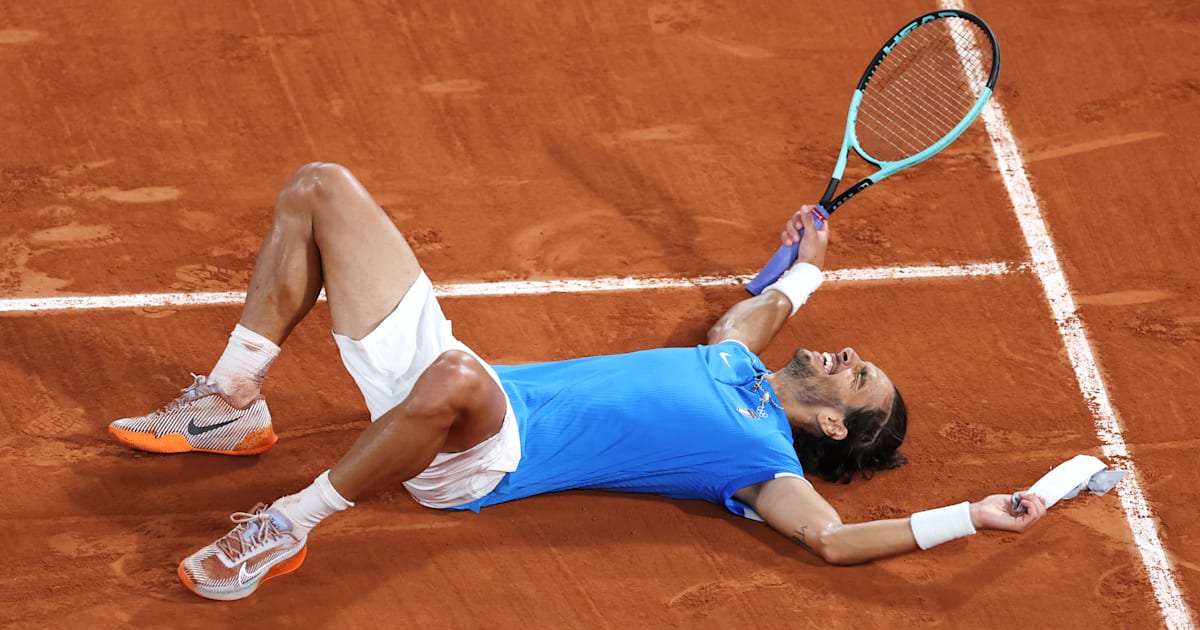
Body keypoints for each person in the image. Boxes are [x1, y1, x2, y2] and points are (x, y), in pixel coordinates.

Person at [108, 163, 1047, 602]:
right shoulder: (736, 357)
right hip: (452, 384)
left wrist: (969, 517)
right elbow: (764, 309)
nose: (846, 356)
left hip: (479, 457)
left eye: (858, 377)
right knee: (320, 189)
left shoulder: (765, 463)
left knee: (456, 375)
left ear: (835, 428)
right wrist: (807, 264)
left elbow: (835, 544)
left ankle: (287, 527)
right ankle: (232, 403)